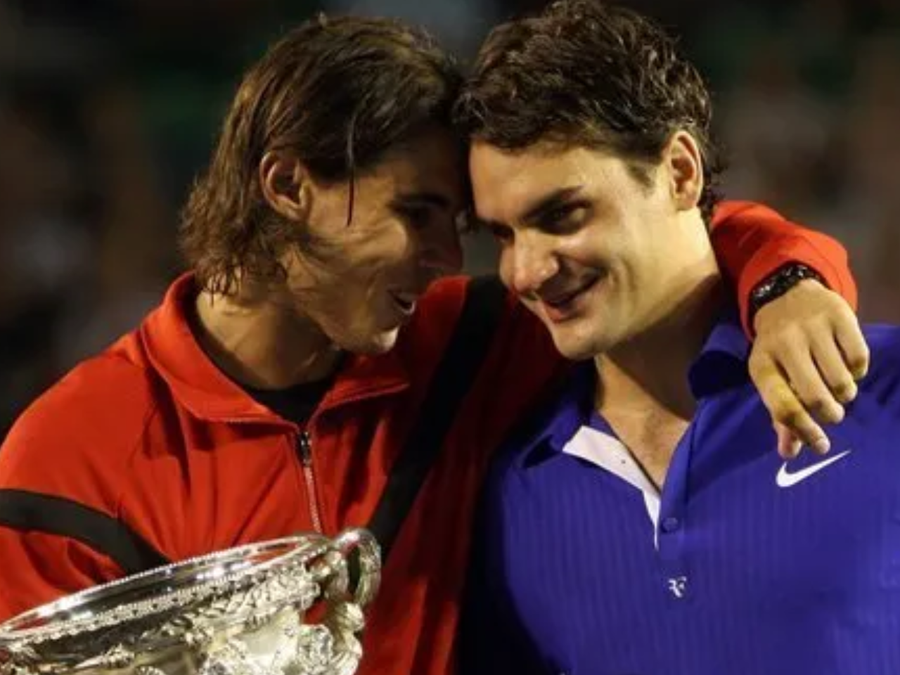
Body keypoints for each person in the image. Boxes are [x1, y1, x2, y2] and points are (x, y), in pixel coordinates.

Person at [0, 12, 865, 675]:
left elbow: (679, 250)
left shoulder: (464, 344)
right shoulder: (66, 461)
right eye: (414, 214)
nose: (454, 260)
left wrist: (789, 285)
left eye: (459, 226)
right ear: (289, 184)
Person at [455, 2, 900, 674]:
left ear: (681, 173)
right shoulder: (513, 487)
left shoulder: (885, 392)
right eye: (504, 234)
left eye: (564, 214)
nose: (525, 270)